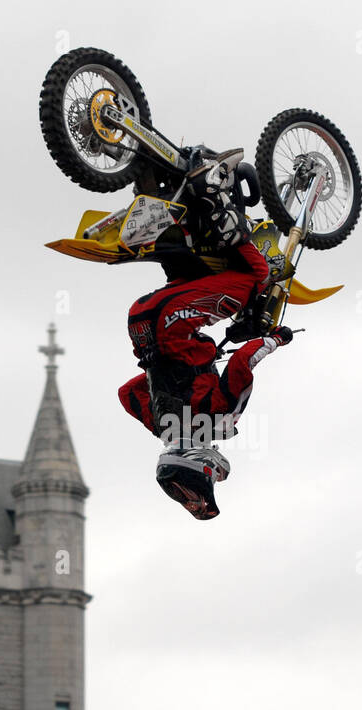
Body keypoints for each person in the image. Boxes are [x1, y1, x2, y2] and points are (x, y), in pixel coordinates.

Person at [117, 148, 294, 520]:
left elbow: (245, 362)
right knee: (191, 273)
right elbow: (128, 392)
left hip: (172, 323)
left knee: (255, 276)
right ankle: (151, 185)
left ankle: (209, 191)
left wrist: (275, 339)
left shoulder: (220, 418)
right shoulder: (159, 424)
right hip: (142, 324)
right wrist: (188, 367)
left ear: (200, 462)